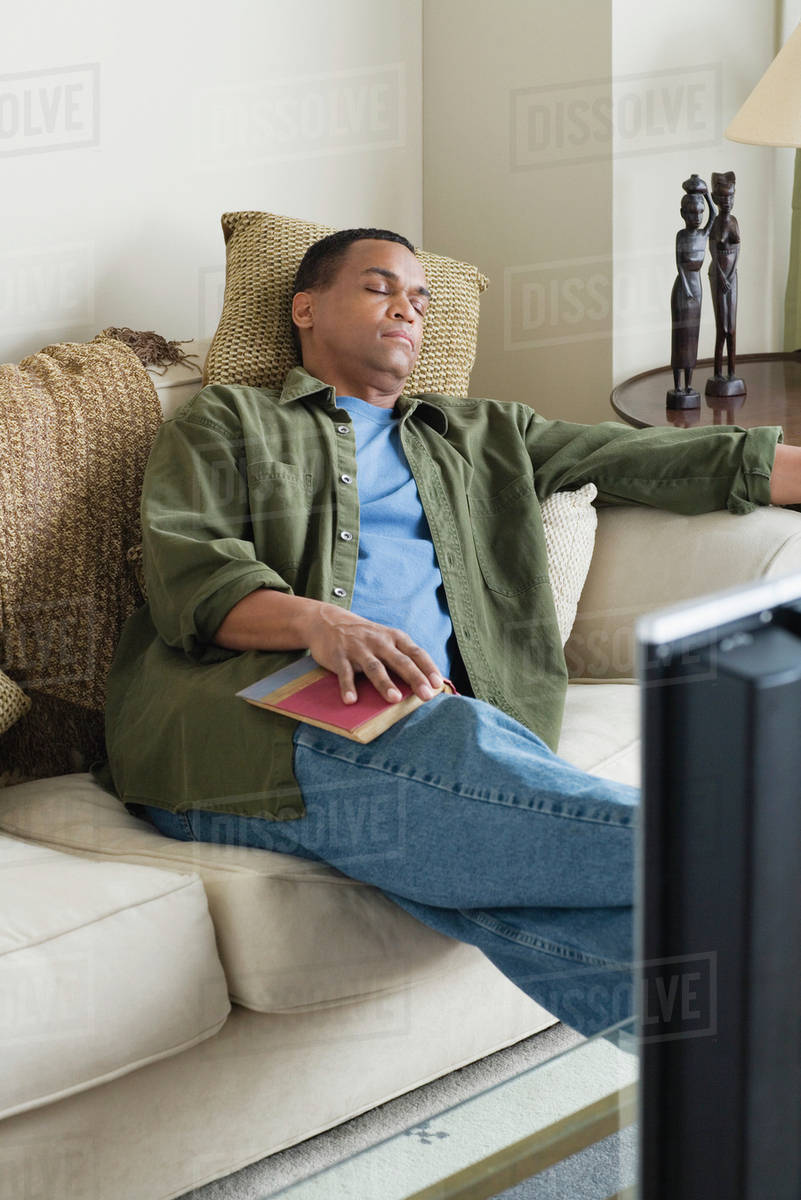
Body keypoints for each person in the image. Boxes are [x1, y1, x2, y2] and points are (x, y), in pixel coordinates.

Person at [99, 227, 801, 1039]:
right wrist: (323, 624)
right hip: (246, 724)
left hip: (426, 734)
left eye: (420, 298)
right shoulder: (231, 419)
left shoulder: (485, 435)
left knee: (626, 947)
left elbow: (665, 459)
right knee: (451, 733)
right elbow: (193, 575)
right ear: (304, 308)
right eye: (376, 286)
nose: (406, 307)